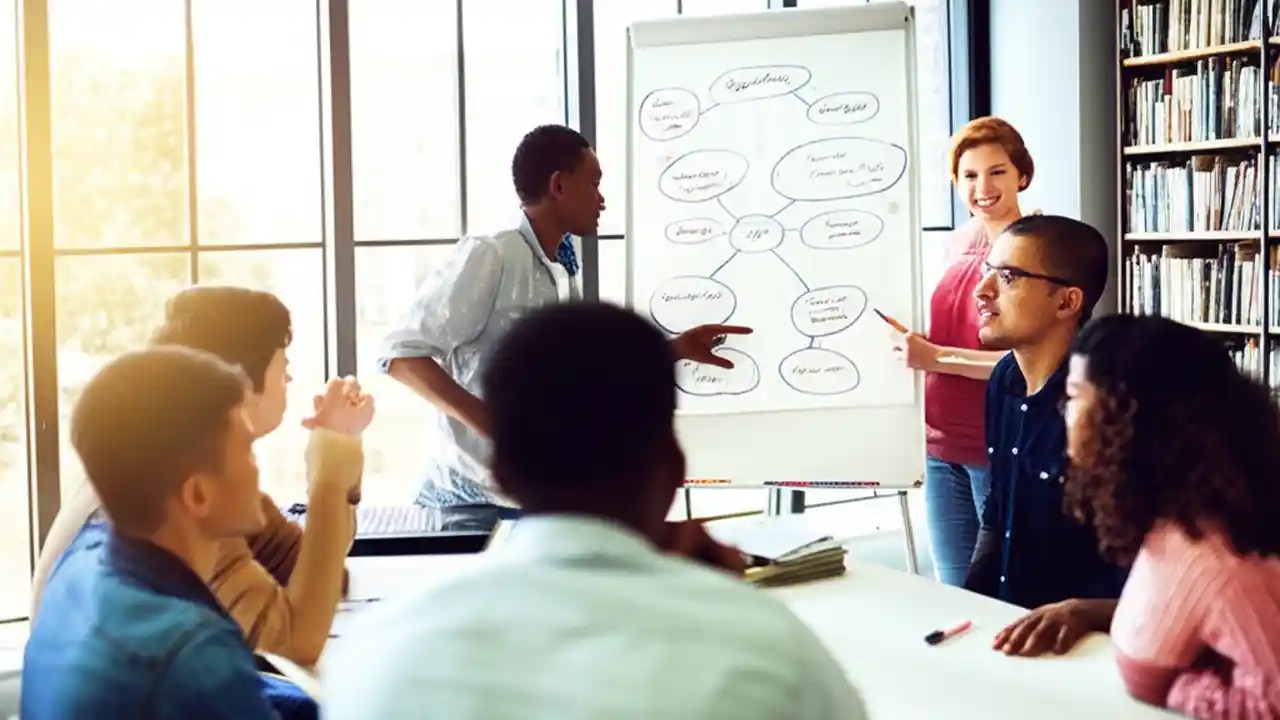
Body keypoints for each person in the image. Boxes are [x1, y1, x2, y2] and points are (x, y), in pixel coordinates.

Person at [323, 303, 866, 720]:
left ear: (500, 470)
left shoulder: (374, 658)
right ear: (674, 466)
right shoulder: (774, 658)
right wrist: (735, 611)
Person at [379, 123, 749, 511]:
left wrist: (675, 349)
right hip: (469, 502)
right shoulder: (493, 254)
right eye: (594, 184)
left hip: (532, 497)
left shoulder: (562, 266)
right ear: (558, 186)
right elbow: (401, 356)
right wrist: (498, 426)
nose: (602, 199)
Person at [31, 286, 372, 669]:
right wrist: (327, 478)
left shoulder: (177, 459)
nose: (290, 377)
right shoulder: (176, 491)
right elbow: (291, 646)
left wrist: (342, 447)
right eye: (282, 364)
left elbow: (322, 572)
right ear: (240, 384)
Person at [22, 346, 342, 718]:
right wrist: (330, 481)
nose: (257, 469)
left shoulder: (79, 563)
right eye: (248, 451)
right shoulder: (194, 653)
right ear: (198, 494)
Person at [1063, 314, 1280, 717]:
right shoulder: (1175, 512)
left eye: (1074, 396)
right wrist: (1088, 612)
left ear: (1125, 417)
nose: (1065, 413)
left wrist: (1181, 692)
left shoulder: (1217, 559)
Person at [961, 214, 1126, 656]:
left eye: (1009, 277)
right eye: (988, 271)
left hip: (1091, 649)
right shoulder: (1004, 379)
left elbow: (1166, 572)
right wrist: (965, 603)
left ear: (1067, 301)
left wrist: (1086, 612)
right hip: (1011, 634)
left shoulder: (1105, 402)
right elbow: (996, 515)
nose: (983, 291)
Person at [892, 116, 1030, 587]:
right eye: (969, 176)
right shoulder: (952, 244)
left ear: (1022, 176)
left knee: (1003, 591)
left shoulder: (1038, 248)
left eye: (997, 172)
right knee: (953, 591)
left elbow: (1028, 364)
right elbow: (946, 334)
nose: (982, 187)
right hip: (938, 441)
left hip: (997, 442)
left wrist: (935, 359)